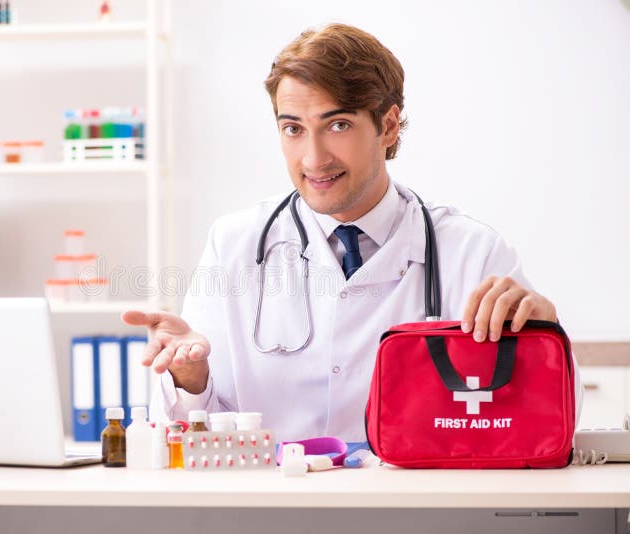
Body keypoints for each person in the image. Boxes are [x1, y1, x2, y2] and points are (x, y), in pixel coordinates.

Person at [122, 23, 580, 442]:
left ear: (388, 125)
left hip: (417, 515)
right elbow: (196, 426)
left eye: (337, 125)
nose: (313, 159)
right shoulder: (234, 245)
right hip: (275, 513)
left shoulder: (472, 253)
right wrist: (191, 376)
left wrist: (543, 333)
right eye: (293, 129)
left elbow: (550, 419)